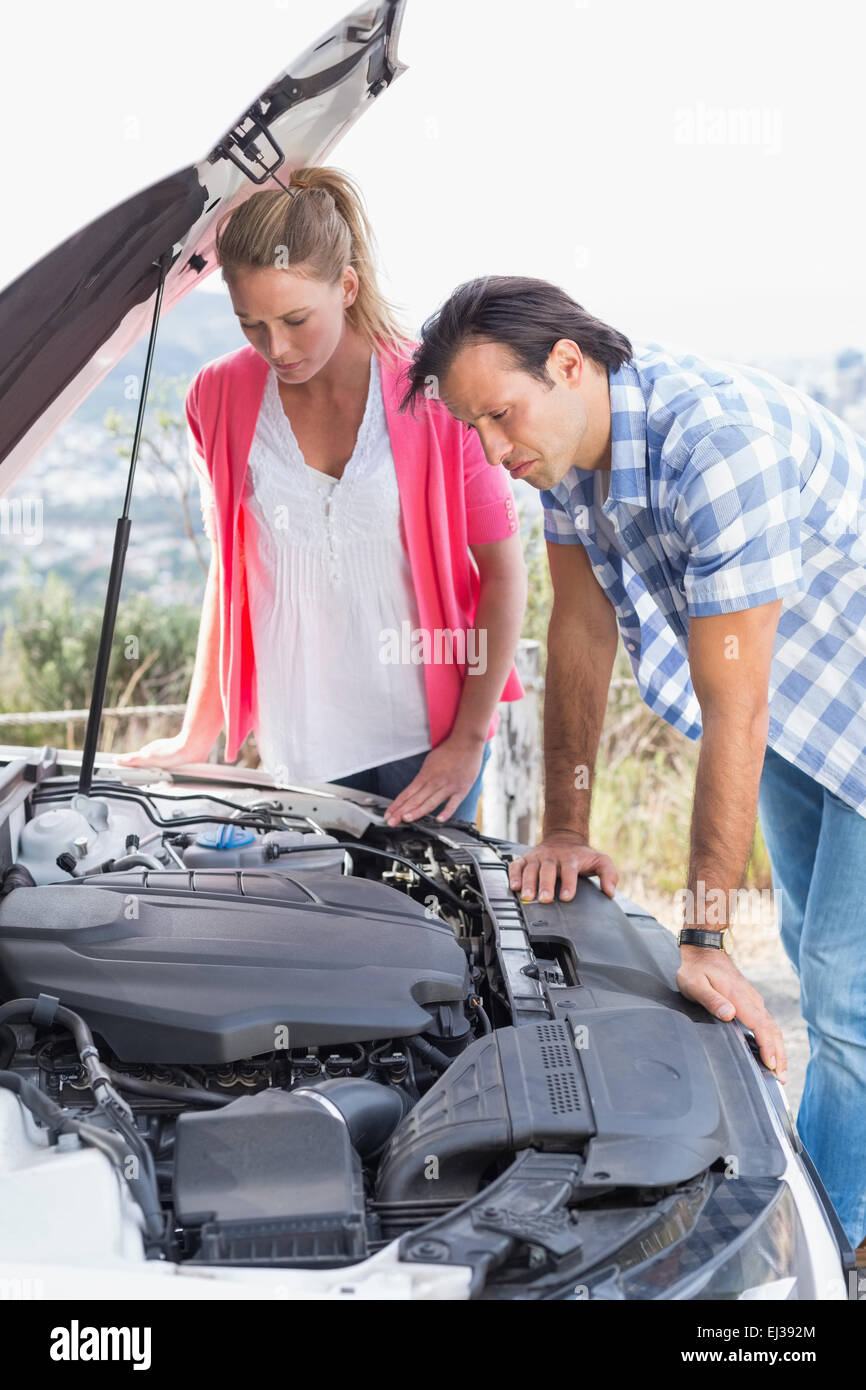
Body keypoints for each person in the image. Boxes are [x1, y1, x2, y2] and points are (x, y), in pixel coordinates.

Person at [398, 273, 866, 1249]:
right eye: (473, 428)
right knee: (807, 940)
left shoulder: (714, 445)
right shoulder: (565, 452)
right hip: (799, 710)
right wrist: (566, 824)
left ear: (568, 364)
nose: (493, 449)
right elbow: (577, 632)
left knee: (837, 981)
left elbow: (729, 709)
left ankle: (824, 1240)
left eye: (501, 414)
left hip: (834, 692)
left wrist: (700, 937)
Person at [117, 170, 527, 826]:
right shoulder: (215, 398)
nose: (276, 348)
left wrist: (467, 743)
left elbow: (504, 575)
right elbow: (232, 573)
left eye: (296, 319)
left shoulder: (436, 392)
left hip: (428, 741)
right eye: (251, 324)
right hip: (304, 740)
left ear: (347, 286)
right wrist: (199, 732)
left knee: (427, 926)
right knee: (327, 926)